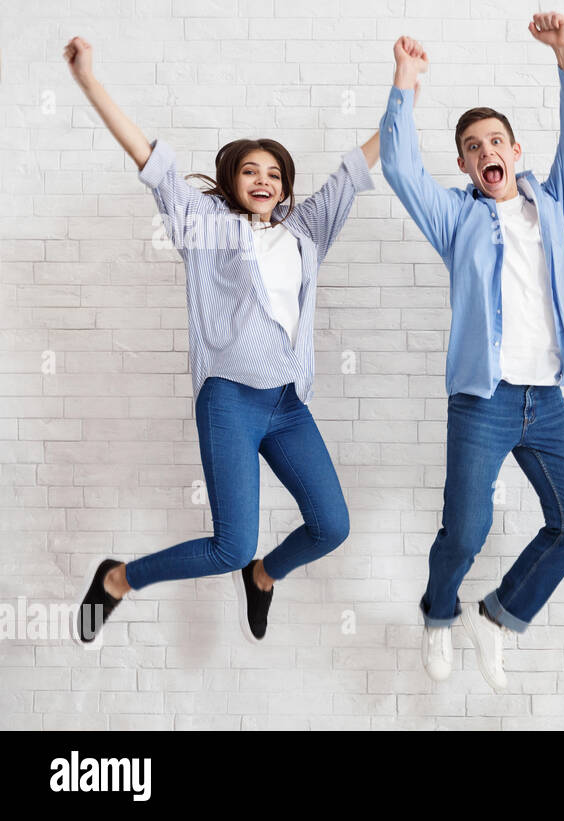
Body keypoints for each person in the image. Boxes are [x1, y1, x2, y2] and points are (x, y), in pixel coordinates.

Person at [65, 37, 377, 646]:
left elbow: (355, 171)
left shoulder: (305, 229)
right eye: (250, 170)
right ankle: (119, 578)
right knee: (230, 543)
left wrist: (404, 90)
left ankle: (263, 577)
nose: (263, 180)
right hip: (230, 401)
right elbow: (148, 157)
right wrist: (87, 81)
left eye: (275, 174)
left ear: (285, 189)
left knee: (332, 524)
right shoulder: (205, 227)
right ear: (232, 180)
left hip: (287, 404)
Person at [380, 14, 564, 693]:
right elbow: (398, 165)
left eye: (495, 140)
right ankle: (439, 613)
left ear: (515, 149)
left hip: (547, 399)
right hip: (483, 399)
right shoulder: (455, 217)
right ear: (466, 166)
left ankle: (498, 617)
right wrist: (404, 85)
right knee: (465, 532)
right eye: (473, 147)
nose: (485, 151)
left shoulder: (551, 203)